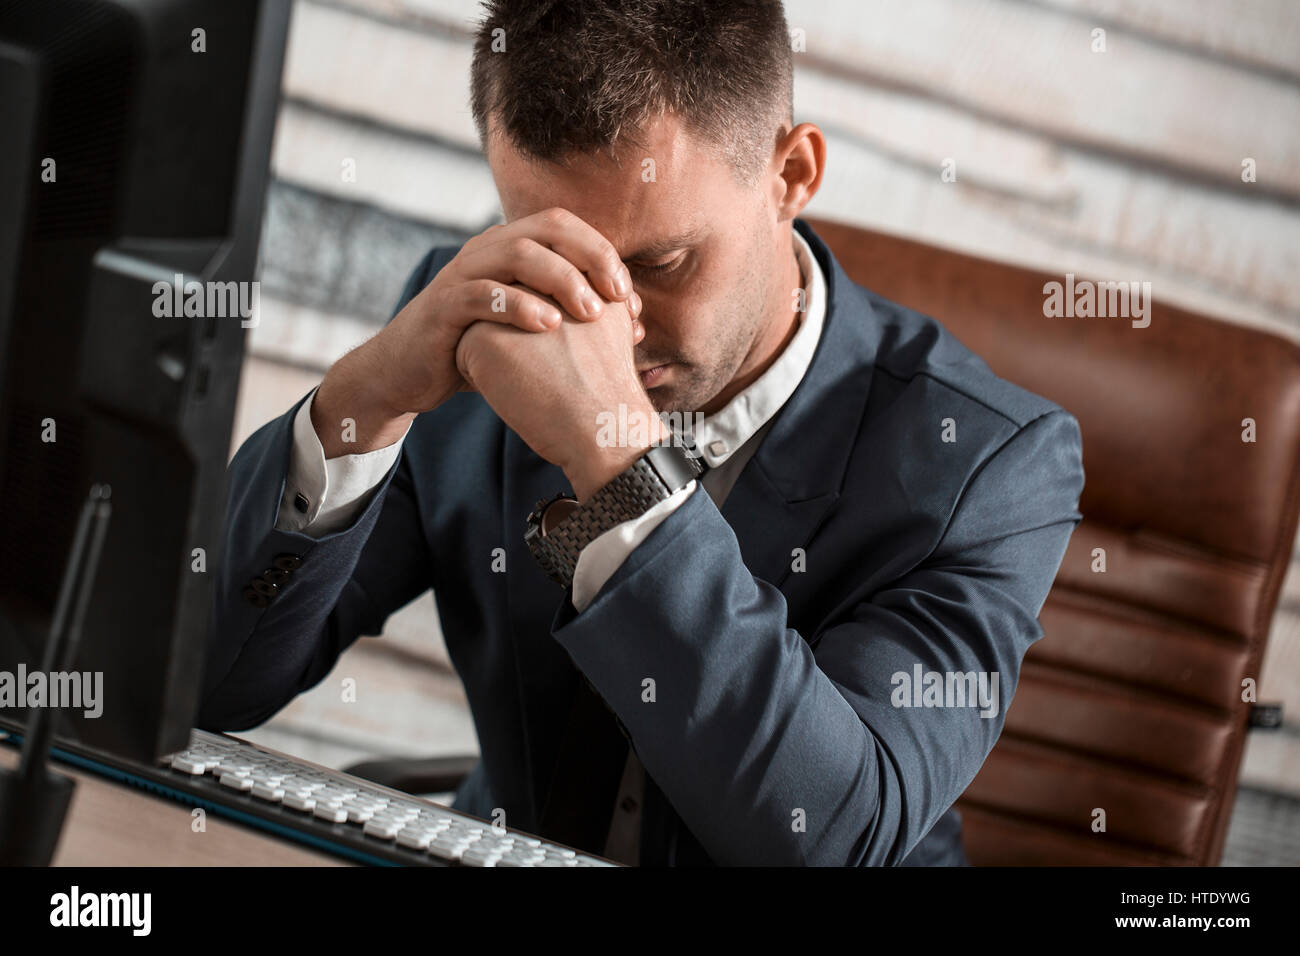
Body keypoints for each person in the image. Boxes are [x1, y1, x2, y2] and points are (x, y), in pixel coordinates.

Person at [199, 0, 1084, 866]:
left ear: (792, 175)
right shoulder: (485, 328)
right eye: (555, 248)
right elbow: (207, 684)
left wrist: (616, 454)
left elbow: (830, 836)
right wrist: (361, 398)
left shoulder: (991, 466)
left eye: (659, 264)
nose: (603, 324)